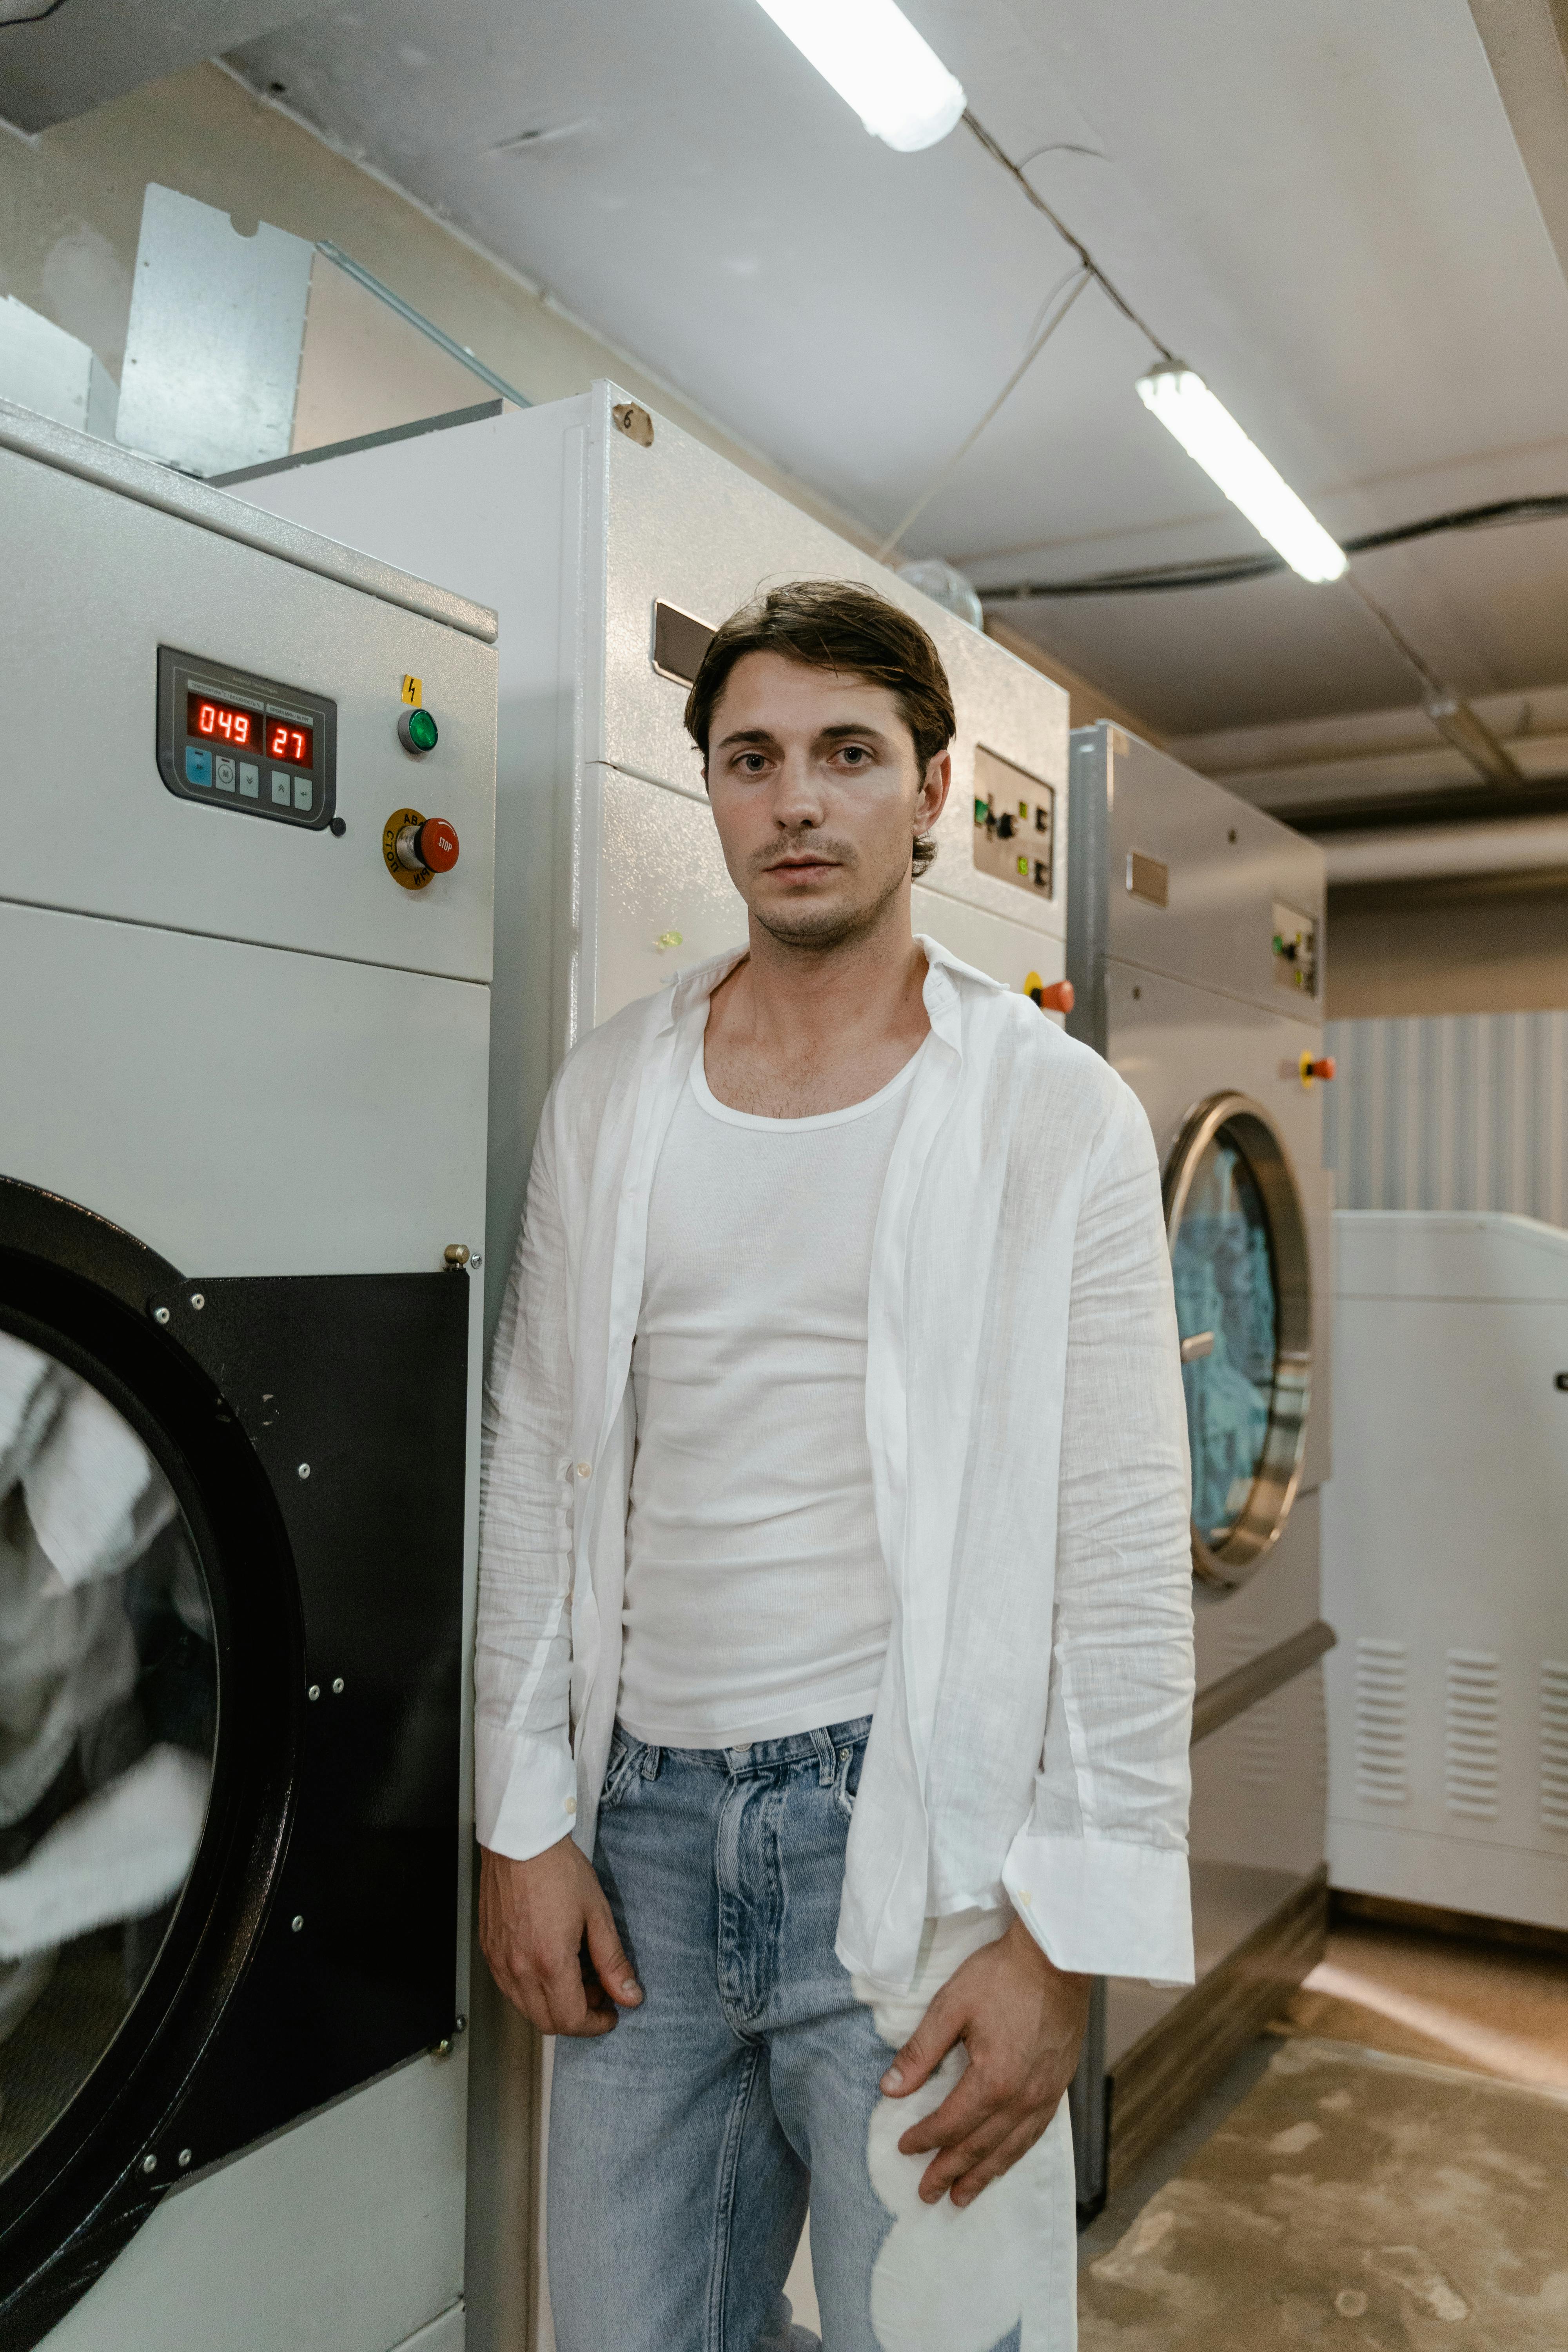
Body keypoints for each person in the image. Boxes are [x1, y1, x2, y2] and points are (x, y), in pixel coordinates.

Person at [476, 580, 1194, 2352]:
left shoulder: (1047, 1111)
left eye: (847, 756)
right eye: (751, 758)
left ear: (931, 790)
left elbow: (1116, 1534)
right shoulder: (612, 1095)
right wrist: (526, 1825)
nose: (795, 800)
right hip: (635, 1839)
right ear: (710, 793)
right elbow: (539, 1458)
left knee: (939, 2331)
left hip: (910, 1838)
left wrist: (1060, 1947)